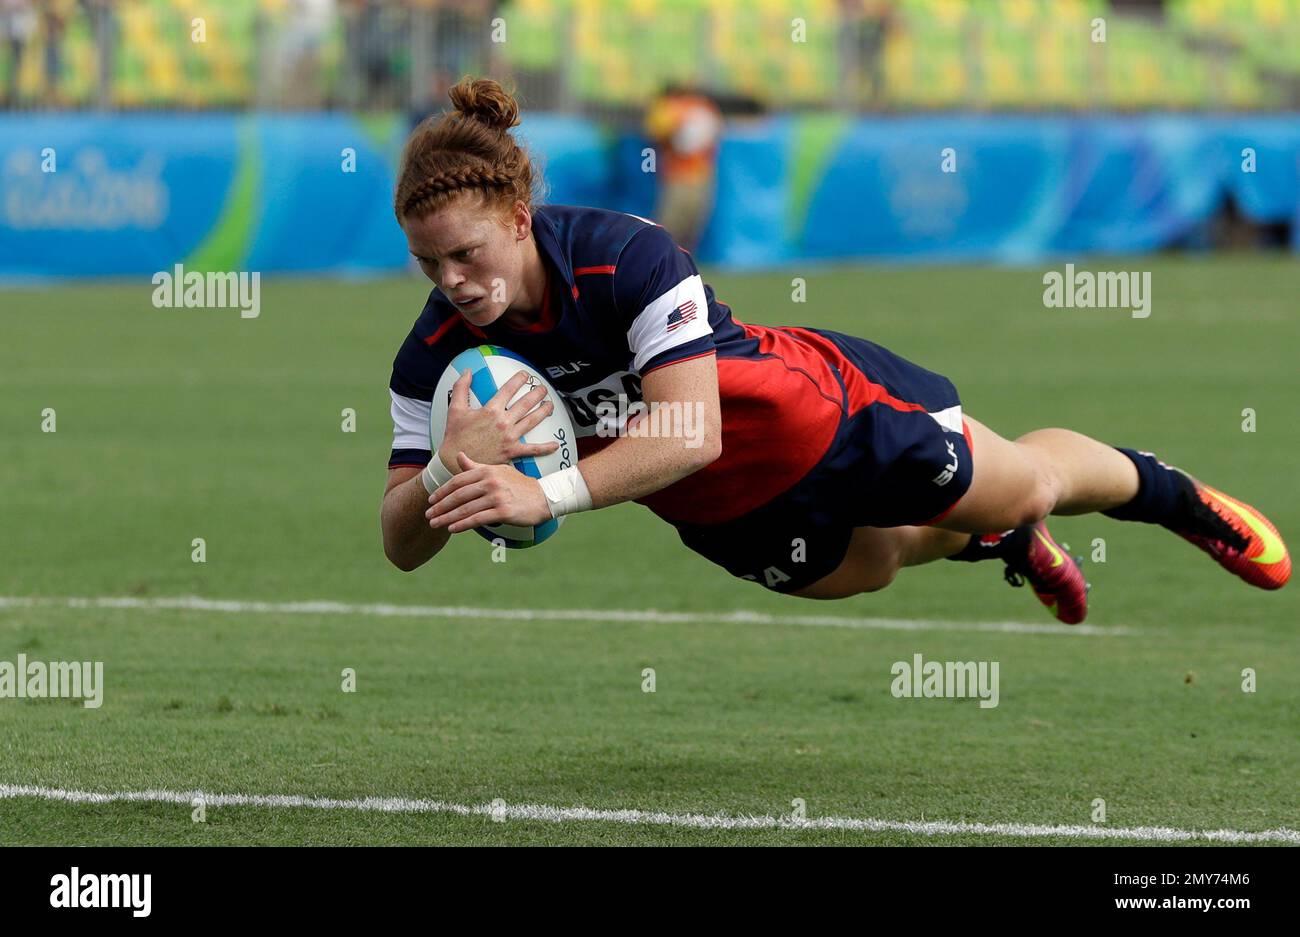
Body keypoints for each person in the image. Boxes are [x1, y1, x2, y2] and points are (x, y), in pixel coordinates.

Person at [380, 78, 1290, 620]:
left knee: (1030, 483)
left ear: (519, 217)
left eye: (468, 252)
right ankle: (999, 541)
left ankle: (1174, 497)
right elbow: (400, 545)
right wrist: (445, 475)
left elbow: (692, 431)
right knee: (875, 564)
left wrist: (544, 489)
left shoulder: (624, 257)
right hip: (722, 510)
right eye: (429, 261)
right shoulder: (434, 356)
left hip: (829, 416)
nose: (453, 278)